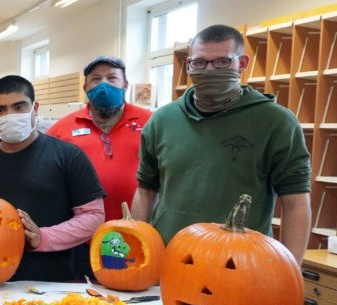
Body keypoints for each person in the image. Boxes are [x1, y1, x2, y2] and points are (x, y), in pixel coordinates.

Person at [131, 24, 311, 262]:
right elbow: (145, 191)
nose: (210, 70)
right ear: (189, 65)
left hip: (241, 265)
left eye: (222, 62)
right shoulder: (163, 120)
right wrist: (136, 252)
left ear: (242, 63)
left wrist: (291, 270)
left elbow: (296, 202)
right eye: (200, 63)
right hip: (168, 258)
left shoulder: (275, 122)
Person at [0, 75, 105, 282]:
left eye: (19, 107)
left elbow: (93, 216)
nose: (10, 115)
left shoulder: (68, 156)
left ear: (35, 108)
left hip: (52, 283)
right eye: (0, 110)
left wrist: (43, 237)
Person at [46, 56, 152, 221]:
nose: (104, 85)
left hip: (139, 229)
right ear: (85, 87)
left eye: (112, 78)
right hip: (81, 232)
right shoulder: (62, 128)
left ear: (125, 85)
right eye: (96, 79)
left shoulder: (150, 122)